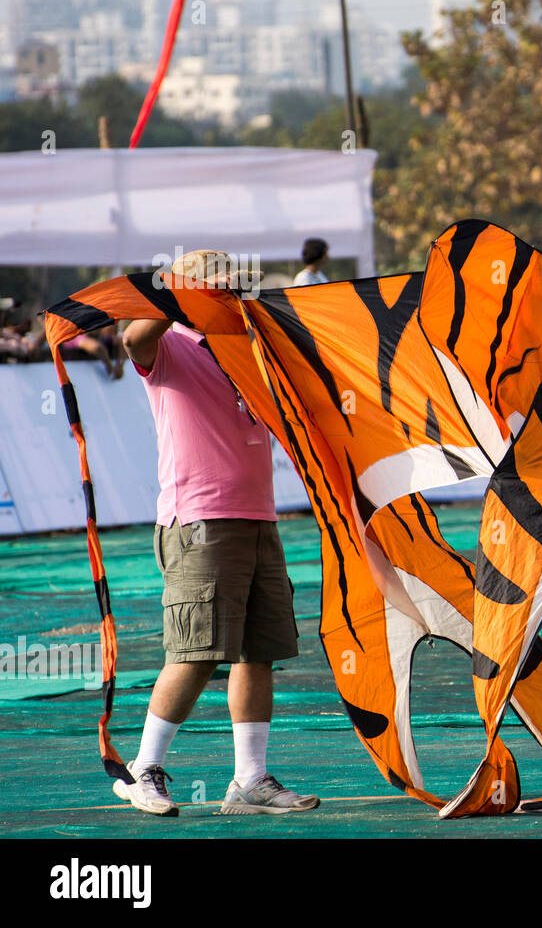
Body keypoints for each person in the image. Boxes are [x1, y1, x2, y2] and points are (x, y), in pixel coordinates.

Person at [114, 249, 319, 817]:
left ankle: (249, 779)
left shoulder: (250, 350)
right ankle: (143, 770)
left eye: (233, 281)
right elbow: (133, 341)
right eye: (218, 282)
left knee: (258, 654)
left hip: (258, 517)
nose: (230, 289)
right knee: (197, 652)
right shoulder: (170, 344)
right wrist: (185, 292)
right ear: (187, 289)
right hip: (199, 521)